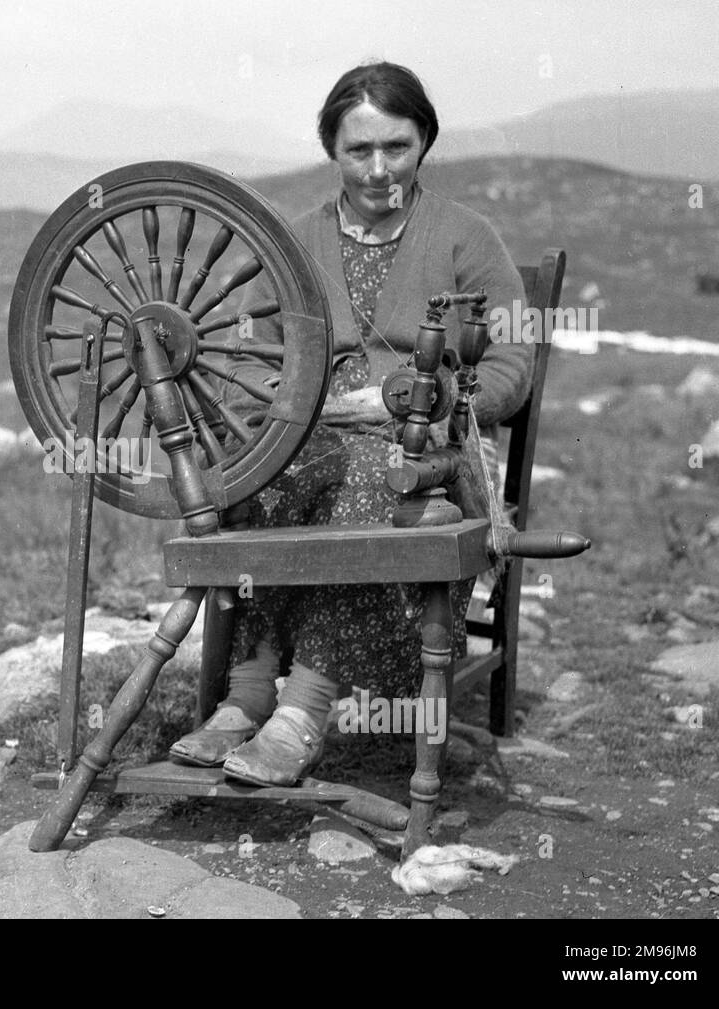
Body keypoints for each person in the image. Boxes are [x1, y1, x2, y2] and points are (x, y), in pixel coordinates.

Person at [168, 61, 533, 786]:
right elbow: (246, 349)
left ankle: (304, 710)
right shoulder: (293, 241)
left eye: (395, 147)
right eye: (357, 150)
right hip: (310, 433)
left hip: (426, 451)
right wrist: (288, 398)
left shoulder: (465, 236)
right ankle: (246, 696)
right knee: (250, 476)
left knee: (372, 477)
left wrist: (435, 400)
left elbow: (514, 360)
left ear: (424, 141)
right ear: (331, 151)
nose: (377, 168)